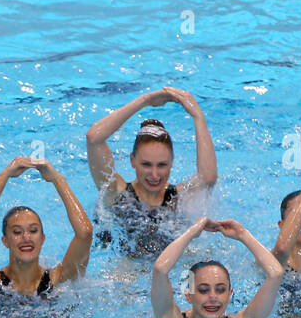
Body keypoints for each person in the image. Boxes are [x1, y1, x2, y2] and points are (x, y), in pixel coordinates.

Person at [86, 86, 217, 256]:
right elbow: (93, 138)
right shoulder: (116, 193)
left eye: (161, 165)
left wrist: (198, 116)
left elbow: (208, 178)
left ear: (172, 163)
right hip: (125, 271)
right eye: (146, 164)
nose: (154, 175)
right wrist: (144, 101)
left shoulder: (178, 197)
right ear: (132, 160)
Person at [152, 217, 284, 318]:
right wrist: (192, 232)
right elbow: (160, 270)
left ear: (229, 294)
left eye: (220, 290)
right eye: (203, 290)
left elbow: (276, 274)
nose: (213, 297)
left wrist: (243, 234)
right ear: (189, 296)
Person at [0, 157, 92, 298]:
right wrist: (4, 175)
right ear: (5, 241)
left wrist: (57, 179)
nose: (26, 237)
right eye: (17, 232)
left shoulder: (57, 281)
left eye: (33, 230)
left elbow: (85, 233)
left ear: (42, 238)